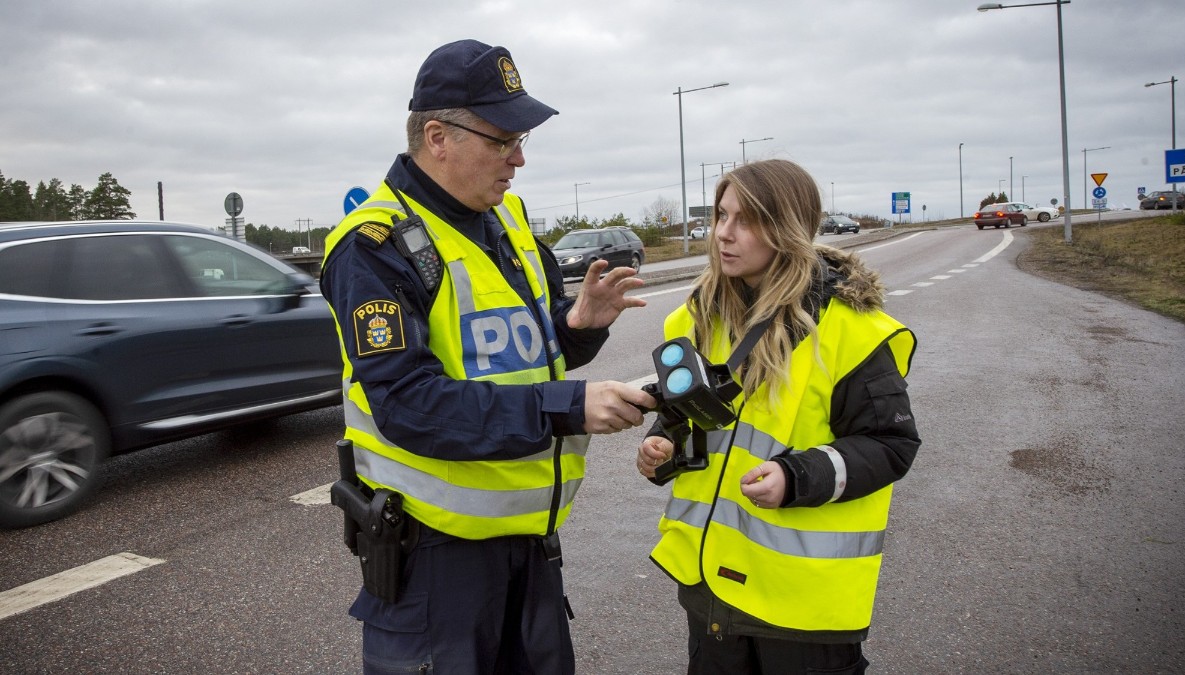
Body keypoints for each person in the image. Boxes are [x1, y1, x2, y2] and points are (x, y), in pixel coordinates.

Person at [320, 39, 656, 674]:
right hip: (437, 564)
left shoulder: (509, 218)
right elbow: (409, 404)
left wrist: (576, 326)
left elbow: (519, 354)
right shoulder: (375, 244)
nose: (519, 159)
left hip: (529, 548)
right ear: (439, 136)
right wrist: (570, 407)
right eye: (503, 140)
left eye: (522, 140)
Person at [636, 159, 921, 674]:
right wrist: (666, 445)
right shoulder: (696, 317)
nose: (723, 233)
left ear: (786, 228)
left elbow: (890, 444)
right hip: (711, 591)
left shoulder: (852, 331)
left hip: (801, 607)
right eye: (721, 216)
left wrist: (797, 476)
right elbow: (695, 416)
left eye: (745, 220)